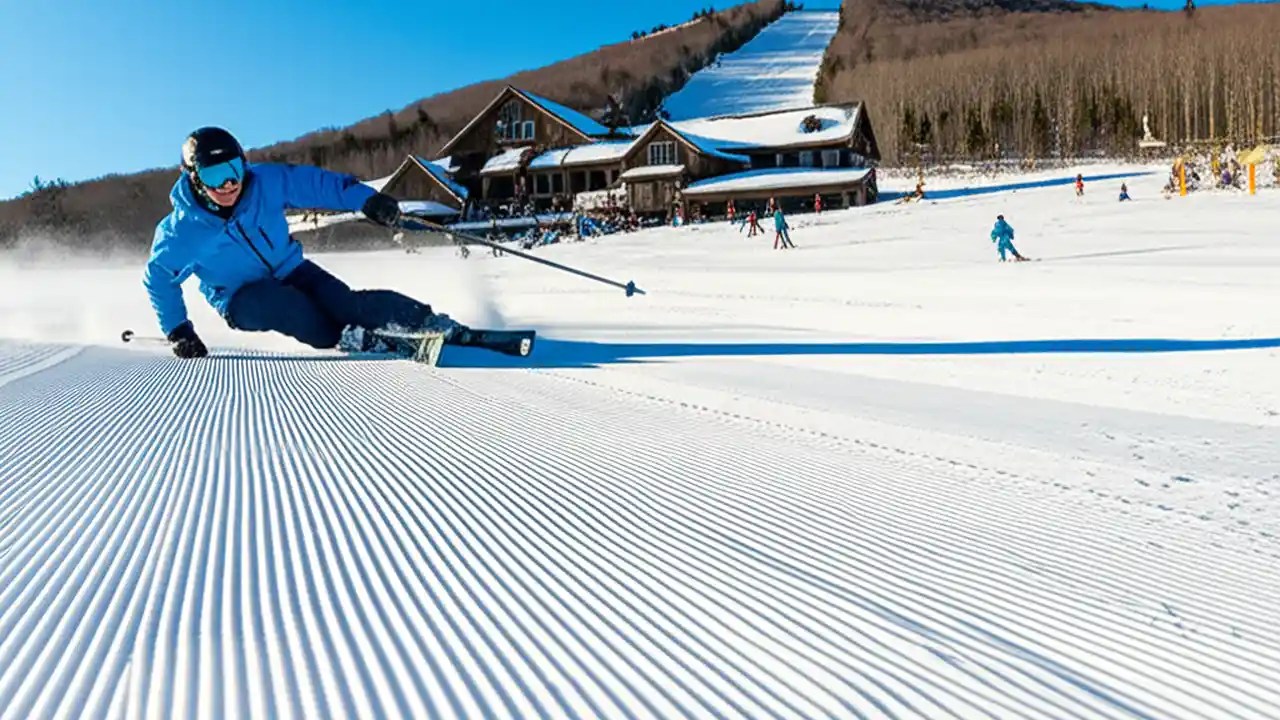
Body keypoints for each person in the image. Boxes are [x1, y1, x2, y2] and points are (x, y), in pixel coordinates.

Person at [145, 126, 454, 359]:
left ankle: (426, 321)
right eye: (215, 176)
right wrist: (178, 329)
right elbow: (158, 278)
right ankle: (346, 338)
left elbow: (317, 185)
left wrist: (366, 200)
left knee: (345, 304)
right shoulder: (181, 231)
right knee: (299, 314)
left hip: (290, 267)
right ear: (194, 179)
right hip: (239, 298)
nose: (229, 185)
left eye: (234, 170)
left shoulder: (265, 182)